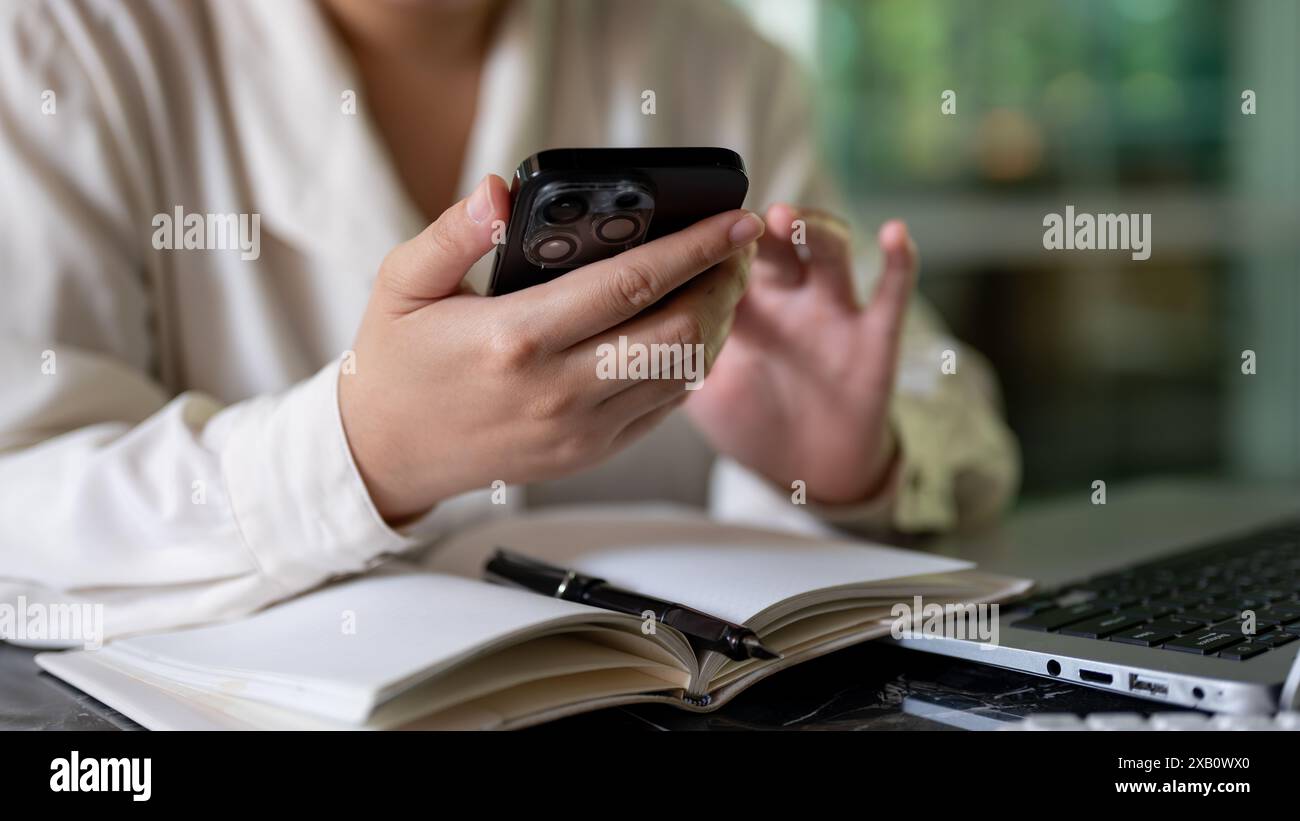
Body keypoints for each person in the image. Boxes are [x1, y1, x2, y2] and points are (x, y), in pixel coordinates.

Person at [0, 0, 1018, 640]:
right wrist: (360, 450)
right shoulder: (51, 49)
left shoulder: (721, 61)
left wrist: (845, 460)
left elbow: (954, 420)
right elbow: (22, 496)